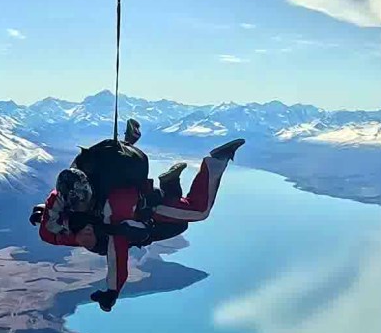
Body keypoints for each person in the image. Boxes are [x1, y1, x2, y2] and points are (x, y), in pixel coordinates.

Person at [31, 124, 242, 310]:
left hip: (148, 207)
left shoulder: (111, 209)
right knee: (169, 227)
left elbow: (117, 253)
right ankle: (167, 181)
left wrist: (112, 292)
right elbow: (47, 233)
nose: (80, 206)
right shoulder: (59, 198)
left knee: (198, 212)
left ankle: (214, 162)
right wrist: (59, 224)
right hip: (134, 211)